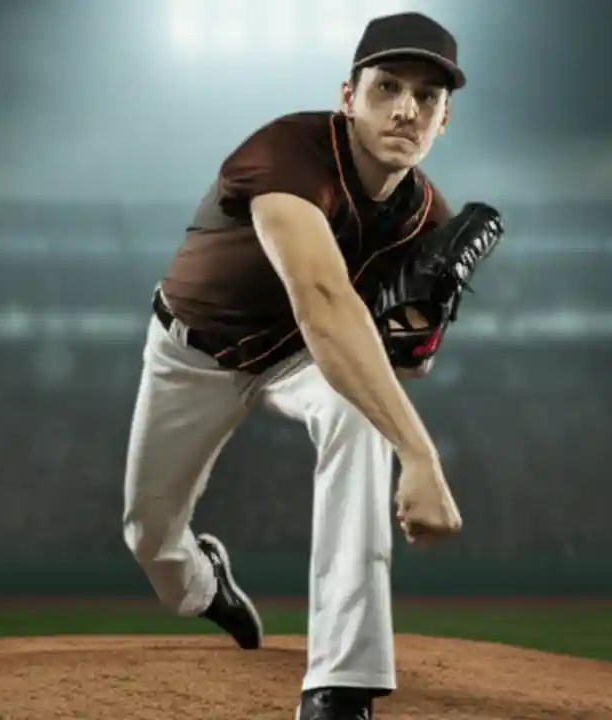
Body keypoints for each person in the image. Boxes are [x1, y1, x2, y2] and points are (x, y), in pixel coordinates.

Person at [122, 12, 468, 719]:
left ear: (444, 120)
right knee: (149, 536)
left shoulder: (430, 220)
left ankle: (343, 681)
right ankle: (203, 582)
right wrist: (423, 457)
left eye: (427, 98)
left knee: (360, 413)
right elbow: (320, 300)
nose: (407, 108)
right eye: (388, 87)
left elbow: (395, 368)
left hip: (300, 360)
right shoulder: (287, 152)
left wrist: (420, 335)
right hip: (194, 352)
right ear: (349, 97)